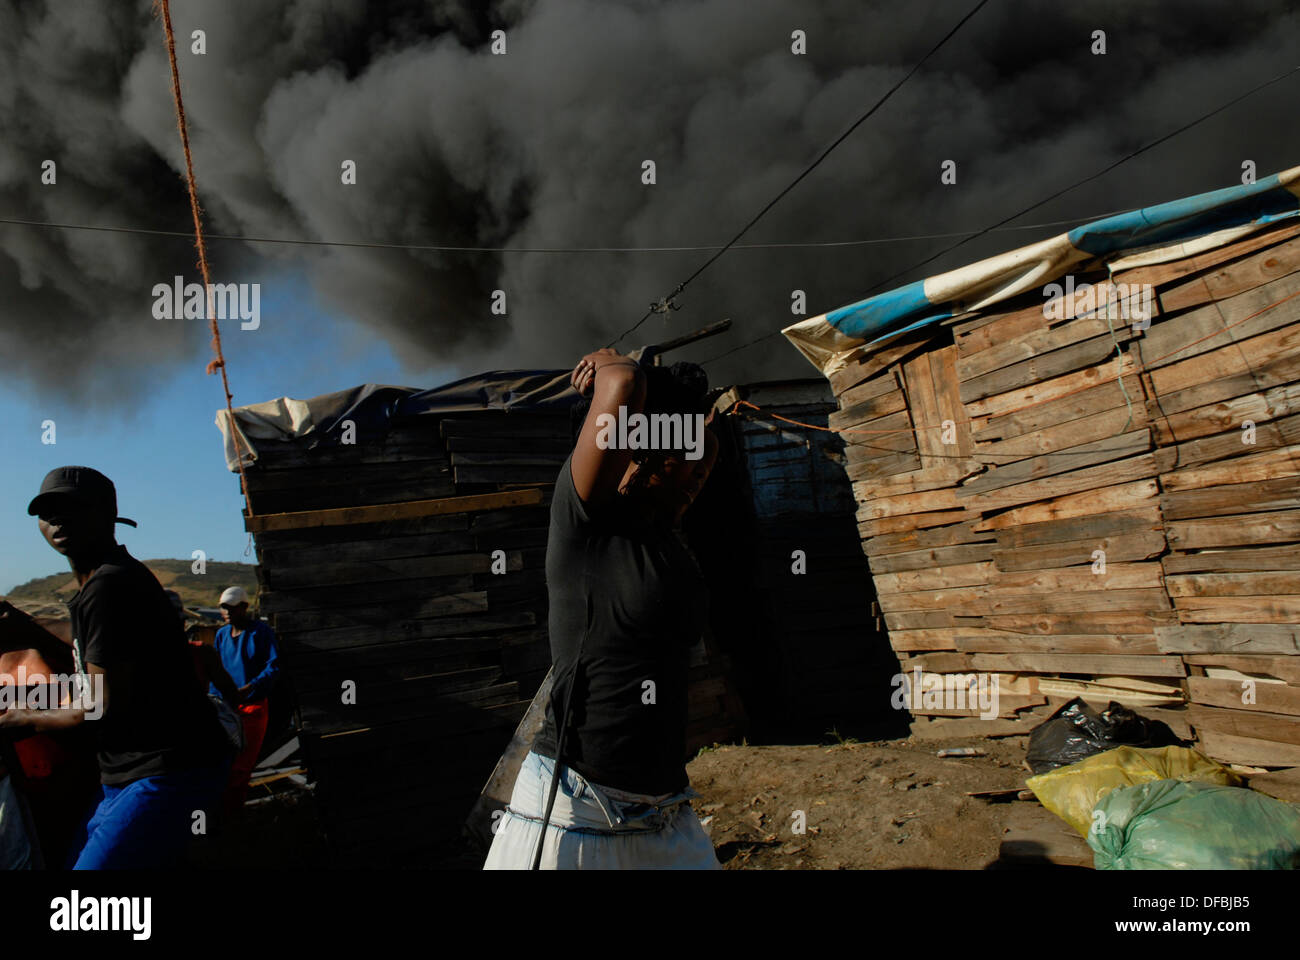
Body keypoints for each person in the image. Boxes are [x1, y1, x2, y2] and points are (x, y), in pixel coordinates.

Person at [484, 349, 721, 870]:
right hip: (575, 817)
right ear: (636, 448)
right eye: (686, 446)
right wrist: (613, 366)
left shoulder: (665, 538)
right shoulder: (587, 517)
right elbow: (622, 383)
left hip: (666, 815)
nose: (701, 462)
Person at [0, 466, 232, 868]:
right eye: (47, 512)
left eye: (71, 507)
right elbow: (95, 678)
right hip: (123, 776)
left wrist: (22, 715)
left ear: (107, 514)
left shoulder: (109, 586)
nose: (56, 519)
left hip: (166, 769)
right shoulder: (100, 585)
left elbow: (94, 706)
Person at [211, 586, 279, 812]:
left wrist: (251, 687)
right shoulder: (221, 635)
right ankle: (219, 814)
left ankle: (232, 815)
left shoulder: (260, 632)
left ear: (244, 607)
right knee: (222, 762)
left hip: (253, 707)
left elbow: (273, 667)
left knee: (241, 766)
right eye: (223, 608)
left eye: (232, 607)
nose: (228, 612)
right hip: (225, 707)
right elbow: (216, 671)